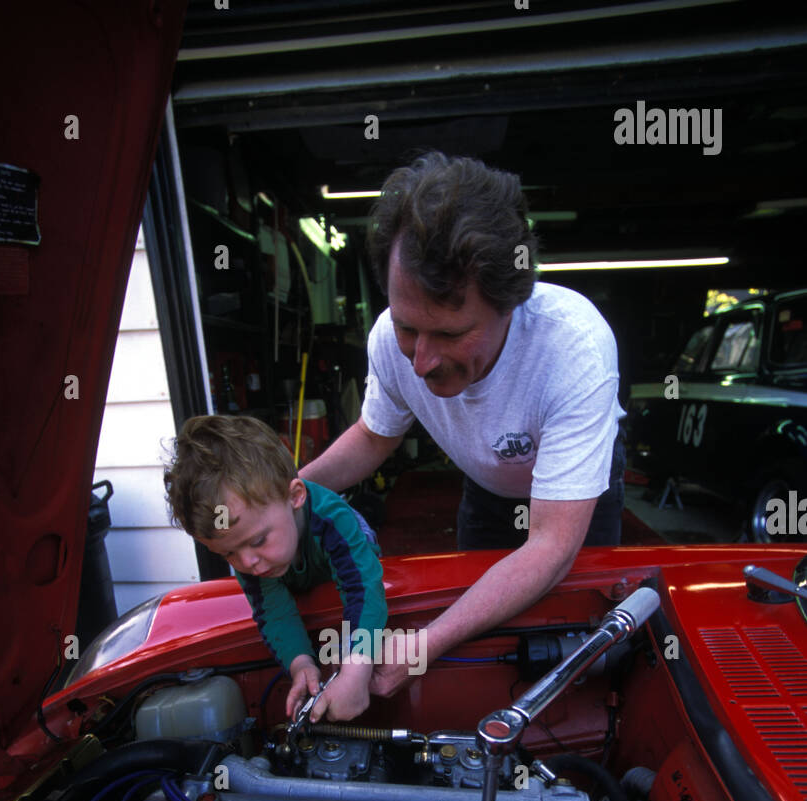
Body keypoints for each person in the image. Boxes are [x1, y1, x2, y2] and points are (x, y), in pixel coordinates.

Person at [300, 151, 626, 701]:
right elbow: (376, 435)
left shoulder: (574, 350)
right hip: (487, 482)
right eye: (409, 328)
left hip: (574, 505)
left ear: (511, 302)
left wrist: (423, 645)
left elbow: (550, 546)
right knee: (480, 640)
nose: (422, 360)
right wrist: (288, 494)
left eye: (450, 335)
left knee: (572, 639)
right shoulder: (387, 340)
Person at [165, 415, 387, 722]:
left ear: (296, 496)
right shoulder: (248, 545)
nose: (247, 563)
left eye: (258, 540)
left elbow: (363, 592)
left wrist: (356, 668)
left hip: (347, 557)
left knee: (361, 569)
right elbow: (274, 612)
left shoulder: (334, 521)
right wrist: (301, 665)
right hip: (301, 565)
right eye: (229, 553)